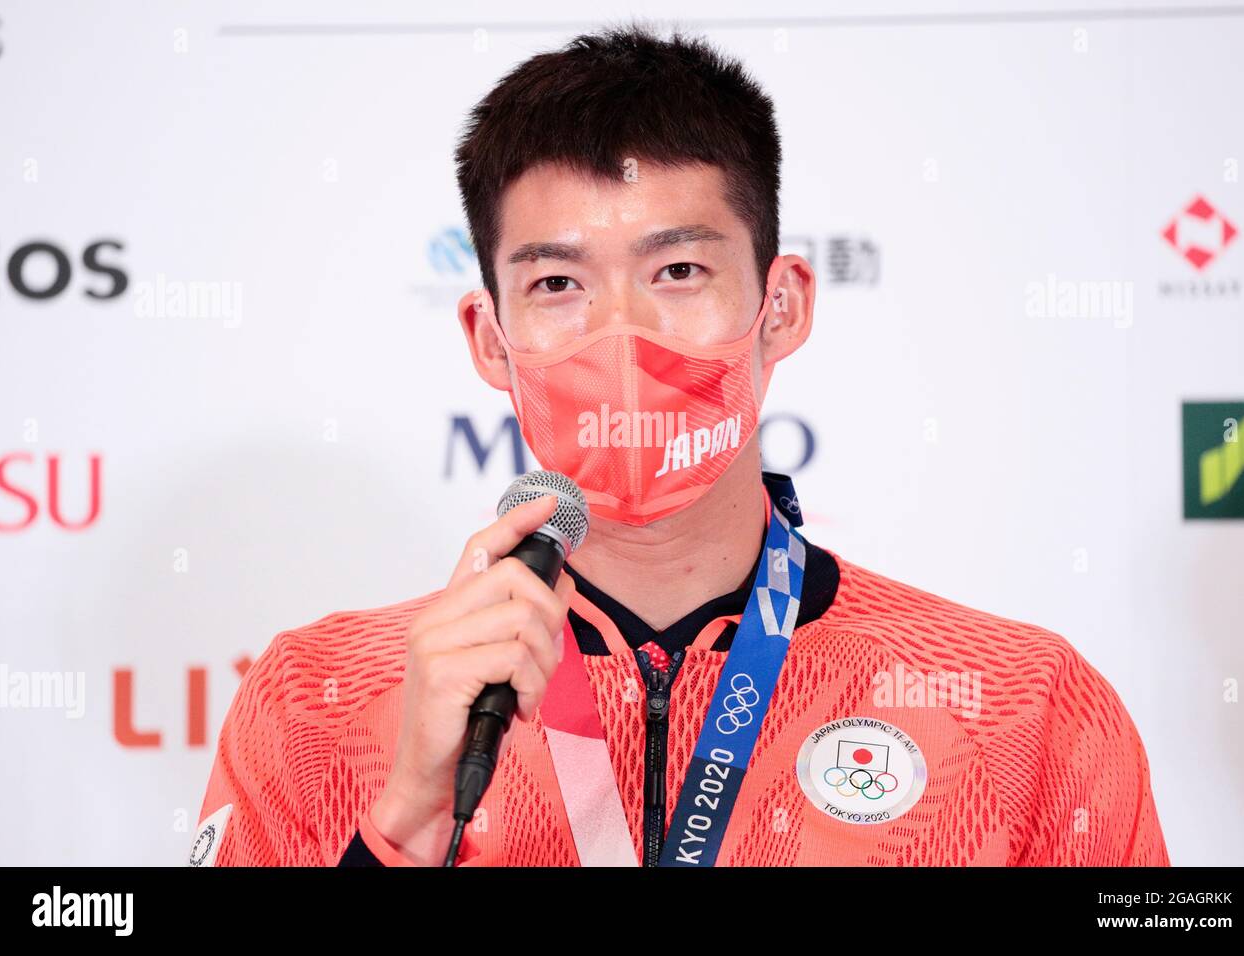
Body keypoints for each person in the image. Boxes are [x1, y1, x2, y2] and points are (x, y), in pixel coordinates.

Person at [191, 22, 1168, 868]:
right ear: (491, 341)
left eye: (678, 268)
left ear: (779, 306)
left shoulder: (1022, 708)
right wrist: (402, 817)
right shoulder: (310, 703)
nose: (624, 339)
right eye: (557, 285)